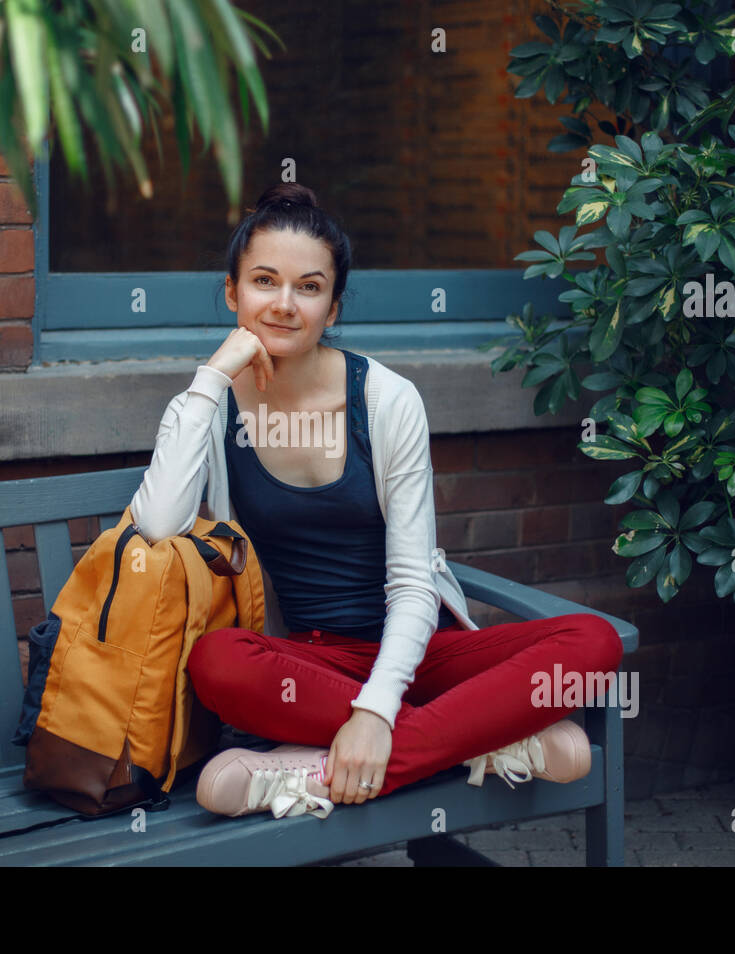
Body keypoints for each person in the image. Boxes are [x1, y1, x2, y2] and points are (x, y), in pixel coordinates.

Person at [128, 182, 625, 820]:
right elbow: (158, 522)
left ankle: (313, 770)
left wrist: (376, 710)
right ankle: (480, 741)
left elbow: (415, 584)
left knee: (592, 644)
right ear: (232, 292)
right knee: (218, 662)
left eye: (308, 287)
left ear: (332, 308)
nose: (283, 304)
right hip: (306, 667)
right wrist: (211, 377)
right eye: (263, 281)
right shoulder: (207, 406)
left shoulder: (387, 401)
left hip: (417, 654)